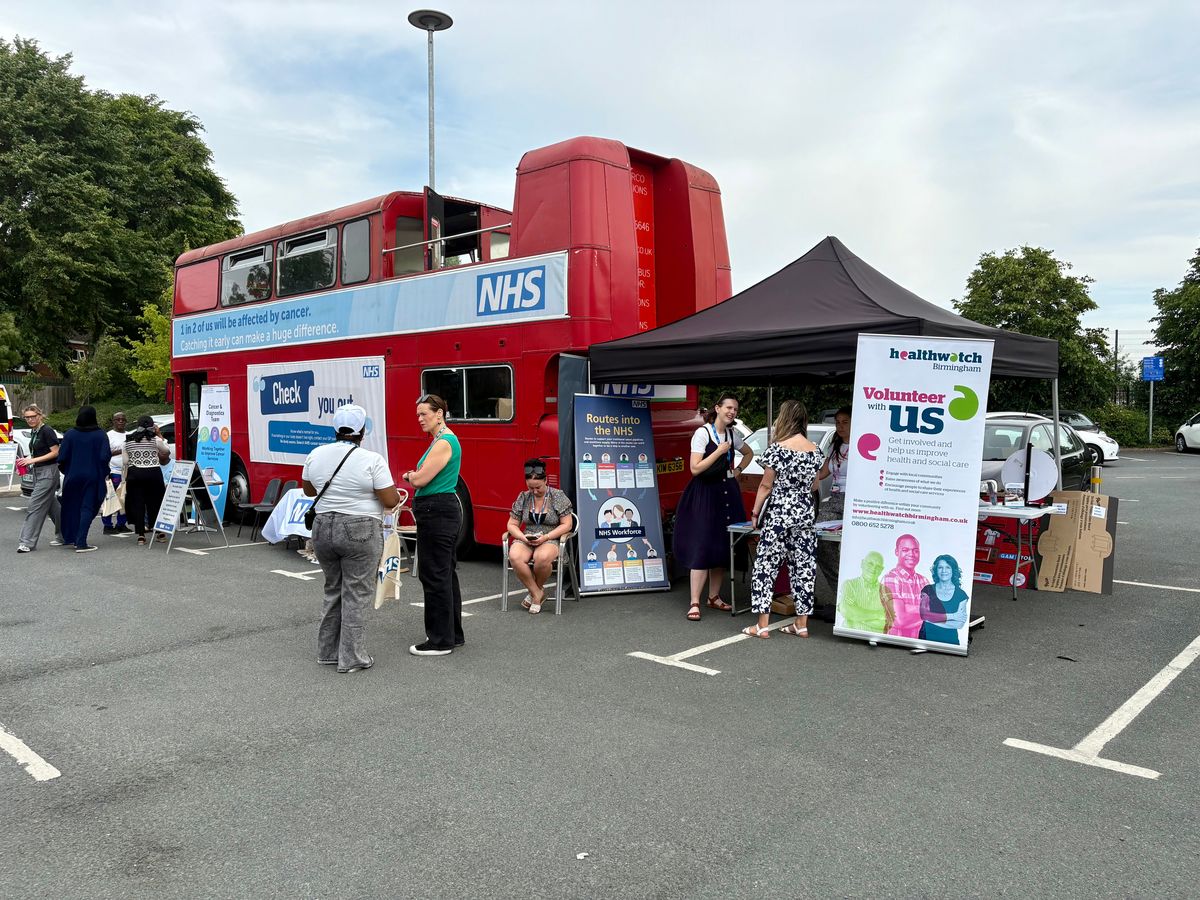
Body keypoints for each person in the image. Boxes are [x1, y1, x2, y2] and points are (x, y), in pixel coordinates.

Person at [302, 404, 400, 673]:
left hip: (323, 528)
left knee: (333, 588)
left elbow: (309, 490)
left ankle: (327, 652)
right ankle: (352, 657)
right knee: (356, 593)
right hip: (360, 529)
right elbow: (390, 499)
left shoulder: (316, 454)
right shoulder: (372, 459)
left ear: (335, 429)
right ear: (361, 432)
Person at [743, 400, 822, 639]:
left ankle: (762, 625)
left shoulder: (778, 449)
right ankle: (801, 624)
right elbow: (815, 485)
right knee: (804, 568)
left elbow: (766, 485)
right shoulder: (815, 450)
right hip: (805, 514)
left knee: (766, 566)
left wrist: (755, 513)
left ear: (785, 418)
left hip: (779, 514)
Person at [673, 392, 754, 621]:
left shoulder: (732, 433)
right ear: (717, 408)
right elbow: (695, 468)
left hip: (727, 492)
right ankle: (694, 601)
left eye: (735, 409)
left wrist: (737, 471)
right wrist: (719, 451)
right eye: (729, 407)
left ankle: (714, 596)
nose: (732, 412)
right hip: (705, 493)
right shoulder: (702, 433)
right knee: (702, 542)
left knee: (722, 544)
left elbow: (748, 453)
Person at [402, 393, 463, 656]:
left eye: (424, 413)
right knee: (445, 573)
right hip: (439, 510)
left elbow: (420, 480)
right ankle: (453, 634)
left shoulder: (444, 441)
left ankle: (440, 641)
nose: (419, 419)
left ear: (439, 414)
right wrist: (415, 476)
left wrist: (410, 475)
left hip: (437, 511)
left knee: (435, 574)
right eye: (417, 414)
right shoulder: (442, 440)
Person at [505, 457, 575, 614]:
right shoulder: (523, 497)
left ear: (545, 481)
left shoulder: (557, 496)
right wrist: (522, 537)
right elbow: (511, 524)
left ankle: (534, 594)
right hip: (528, 536)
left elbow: (567, 524)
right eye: (531, 488)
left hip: (551, 536)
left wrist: (546, 537)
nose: (534, 491)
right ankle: (537, 593)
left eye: (538, 487)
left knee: (541, 558)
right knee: (515, 556)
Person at [57, 405, 112, 552]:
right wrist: (104, 472)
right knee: (87, 508)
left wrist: (68, 471)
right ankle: (81, 542)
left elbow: (61, 457)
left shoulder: (70, 434)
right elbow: (104, 457)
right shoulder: (100, 435)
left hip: (72, 476)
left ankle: (71, 537)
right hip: (93, 476)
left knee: (71, 506)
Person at [814, 406, 851, 603]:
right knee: (819, 538)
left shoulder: (864, 445)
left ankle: (851, 593)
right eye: (837, 422)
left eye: (845, 422)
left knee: (851, 546)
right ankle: (840, 592)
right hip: (835, 499)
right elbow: (823, 472)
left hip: (854, 501)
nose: (840, 426)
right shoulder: (834, 446)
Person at [16, 404, 64, 553]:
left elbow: (56, 452)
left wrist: (32, 461)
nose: (30, 419)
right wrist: (26, 462)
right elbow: (38, 453)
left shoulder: (47, 431)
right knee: (53, 507)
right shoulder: (35, 431)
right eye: (27, 417)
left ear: (40, 416)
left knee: (35, 505)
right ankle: (67, 534)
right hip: (39, 472)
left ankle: (27, 542)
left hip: (48, 472)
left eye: (33, 416)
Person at [121, 415, 171, 546]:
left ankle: (141, 535)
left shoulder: (127, 441)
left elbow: (125, 461)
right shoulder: (154, 440)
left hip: (135, 474)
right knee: (155, 502)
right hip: (153, 473)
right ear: (152, 425)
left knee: (137, 503)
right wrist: (159, 434)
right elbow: (166, 450)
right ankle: (159, 532)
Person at [881, 534, 929, 638]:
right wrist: (924, 612)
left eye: (915, 550)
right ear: (896, 552)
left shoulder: (924, 581)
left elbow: (936, 612)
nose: (911, 554)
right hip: (896, 644)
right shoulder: (891, 579)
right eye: (905, 550)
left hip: (921, 642)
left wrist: (907, 608)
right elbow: (899, 620)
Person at [919, 555, 970, 645]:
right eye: (940, 567)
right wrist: (953, 616)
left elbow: (959, 624)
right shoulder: (927, 590)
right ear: (936, 570)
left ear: (953, 571)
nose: (944, 571)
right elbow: (924, 615)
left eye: (947, 567)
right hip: (927, 637)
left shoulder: (961, 595)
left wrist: (930, 619)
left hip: (950, 640)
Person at [836, 551, 887, 633]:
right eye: (870, 563)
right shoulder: (849, 585)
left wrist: (855, 615)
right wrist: (878, 615)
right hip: (849, 636)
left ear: (881, 570)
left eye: (878, 566)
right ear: (862, 563)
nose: (873, 568)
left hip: (877, 638)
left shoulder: (886, 591)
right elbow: (846, 611)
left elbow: (888, 622)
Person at [102, 411, 130, 534]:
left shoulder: (129, 435)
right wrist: (122, 450)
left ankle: (121, 523)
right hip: (113, 471)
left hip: (126, 472)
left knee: (124, 498)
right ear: (113, 421)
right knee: (111, 498)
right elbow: (106, 453)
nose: (120, 422)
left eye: (123, 420)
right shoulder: (108, 435)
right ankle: (107, 525)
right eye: (118, 419)